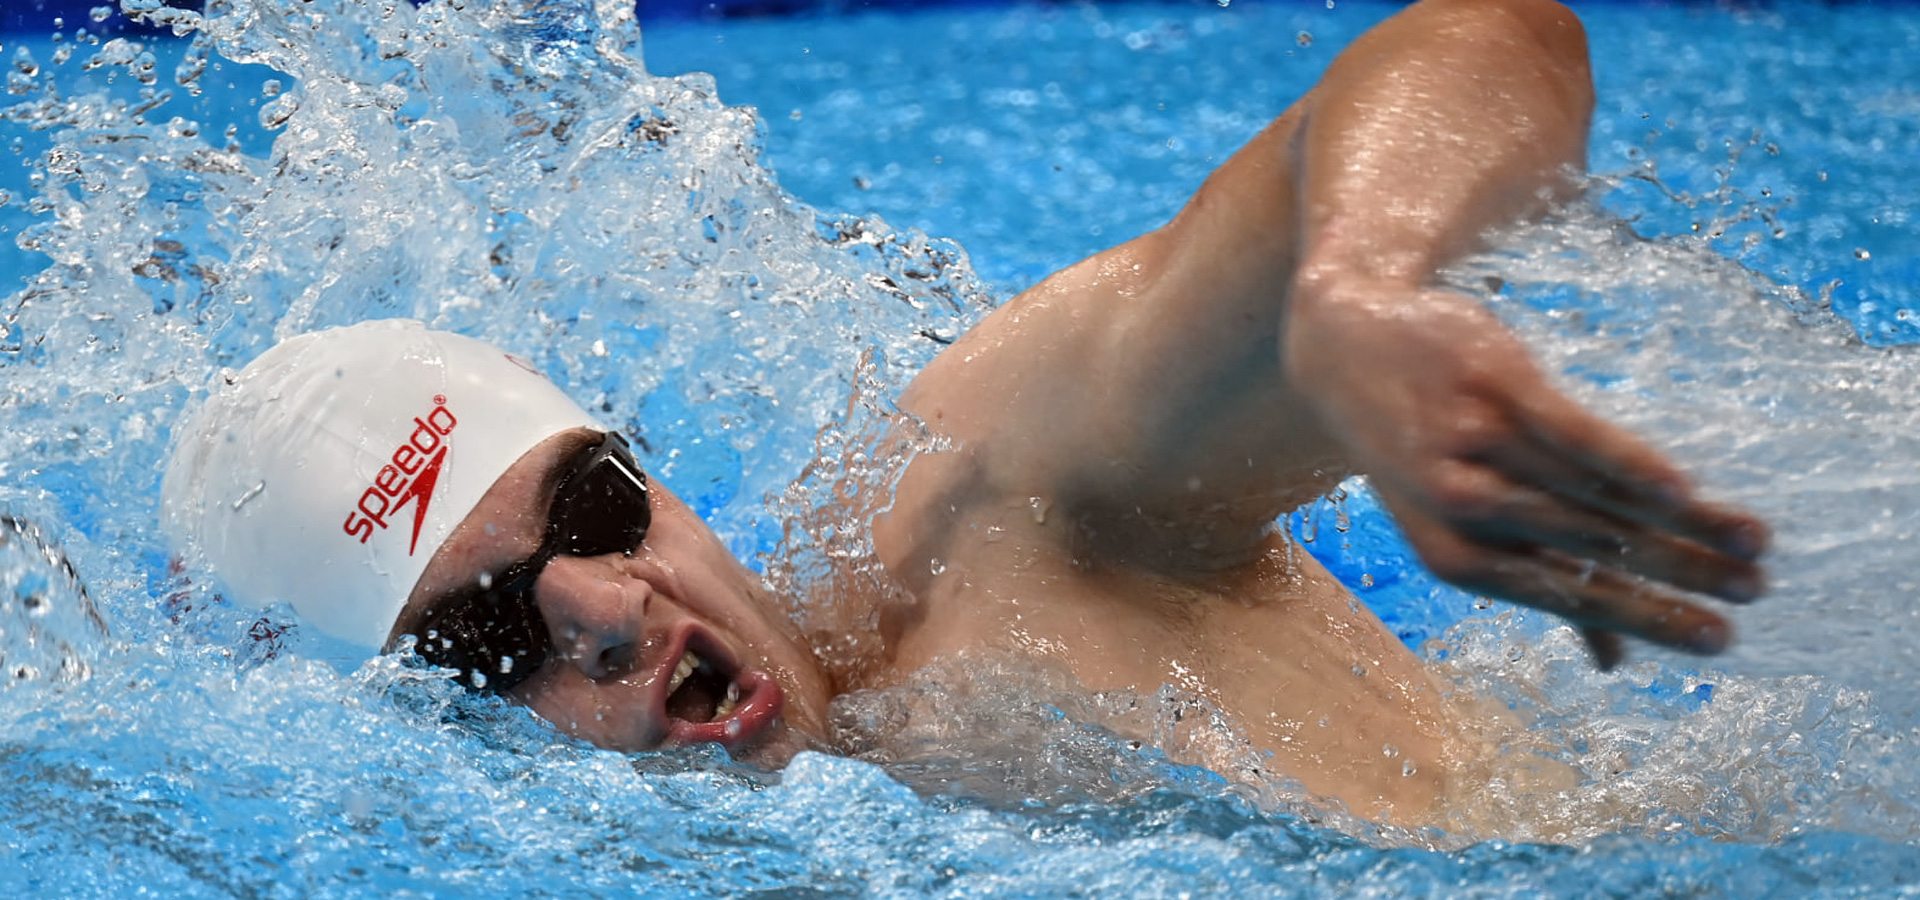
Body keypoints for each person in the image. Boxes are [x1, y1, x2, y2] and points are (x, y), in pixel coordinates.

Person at [161, 0, 1769, 827]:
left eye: (592, 509)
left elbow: (1489, 41)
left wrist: (1356, 281)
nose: (603, 609)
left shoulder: (998, 517)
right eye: (482, 635)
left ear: (656, 474)